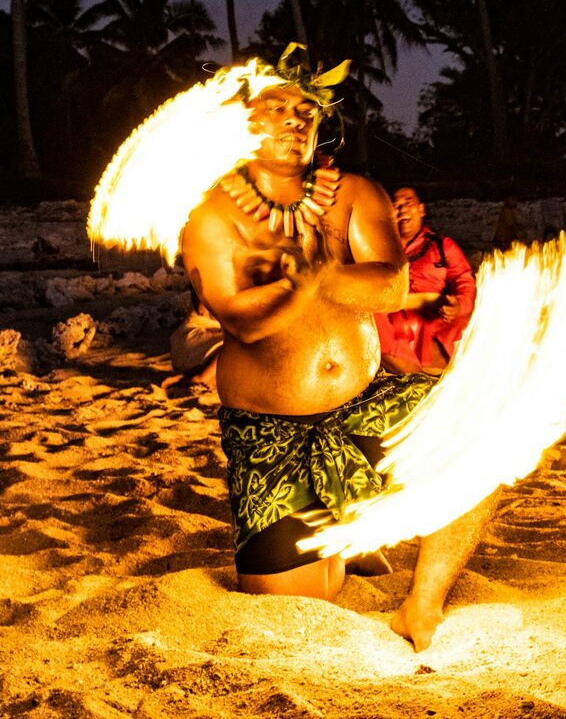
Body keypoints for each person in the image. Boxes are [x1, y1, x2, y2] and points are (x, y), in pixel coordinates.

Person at [180, 55, 498, 651]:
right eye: (273, 107)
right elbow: (243, 321)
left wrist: (319, 267)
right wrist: (303, 282)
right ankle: (345, 536)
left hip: (363, 405)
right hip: (272, 435)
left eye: (305, 109)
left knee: (477, 439)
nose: (293, 119)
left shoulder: (352, 194)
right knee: (298, 609)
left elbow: (389, 284)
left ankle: (420, 607)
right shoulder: (209, 215)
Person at [375, 187, 476, 376]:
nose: (403, 210)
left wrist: (458, 305)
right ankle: (414, 378)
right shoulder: (379, 251)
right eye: (396, 206)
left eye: (408, 203)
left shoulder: (442, 246)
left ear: (421, 210)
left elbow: (465, 284)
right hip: (394, 326)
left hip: (438, 322)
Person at [165, 285, 224, 389]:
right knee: (241, 344)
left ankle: (188, 375)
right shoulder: (210, 274)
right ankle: (201, 378)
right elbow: (202, 309)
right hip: (190, 340)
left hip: (204, 355)